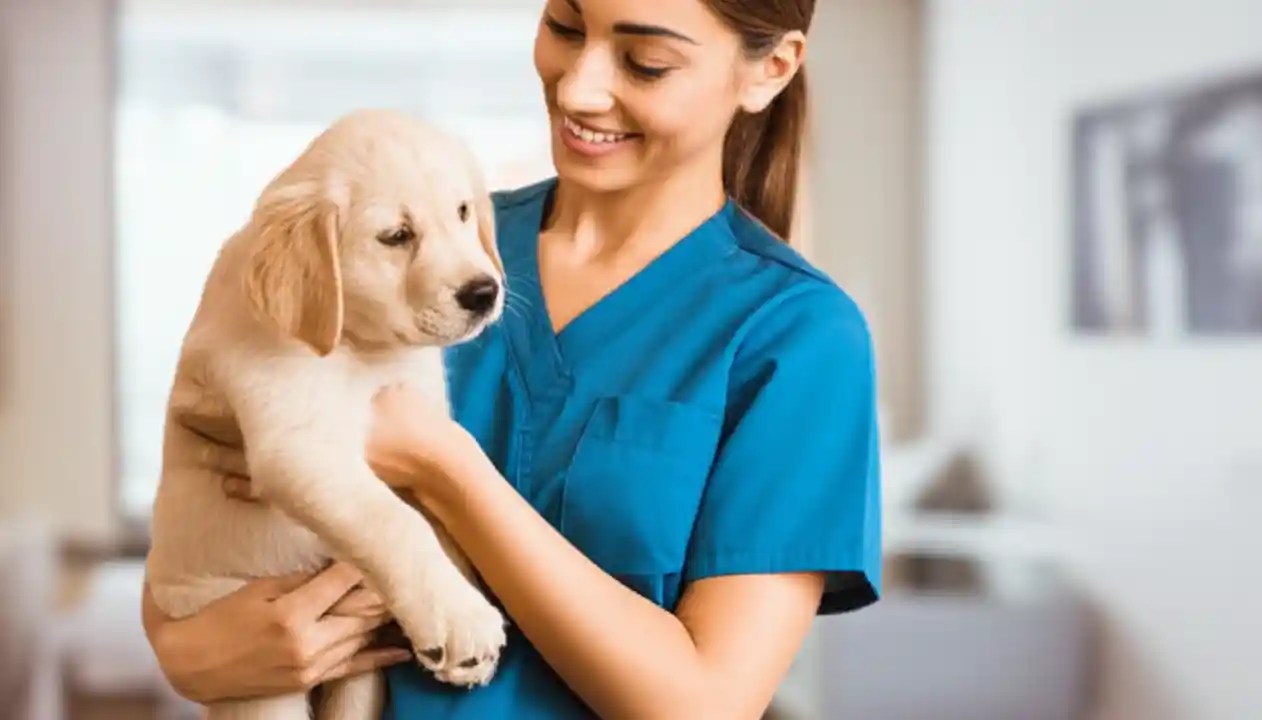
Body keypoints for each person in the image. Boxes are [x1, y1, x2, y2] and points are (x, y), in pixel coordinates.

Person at [141, 0, 882, 717]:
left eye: (646, 62)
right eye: (564, 24)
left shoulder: (800, 337)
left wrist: (444, 469)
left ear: (770, 68)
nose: (577, 87)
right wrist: (190, 652)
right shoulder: (425, 231)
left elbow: (705, 707)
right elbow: (201, 519)